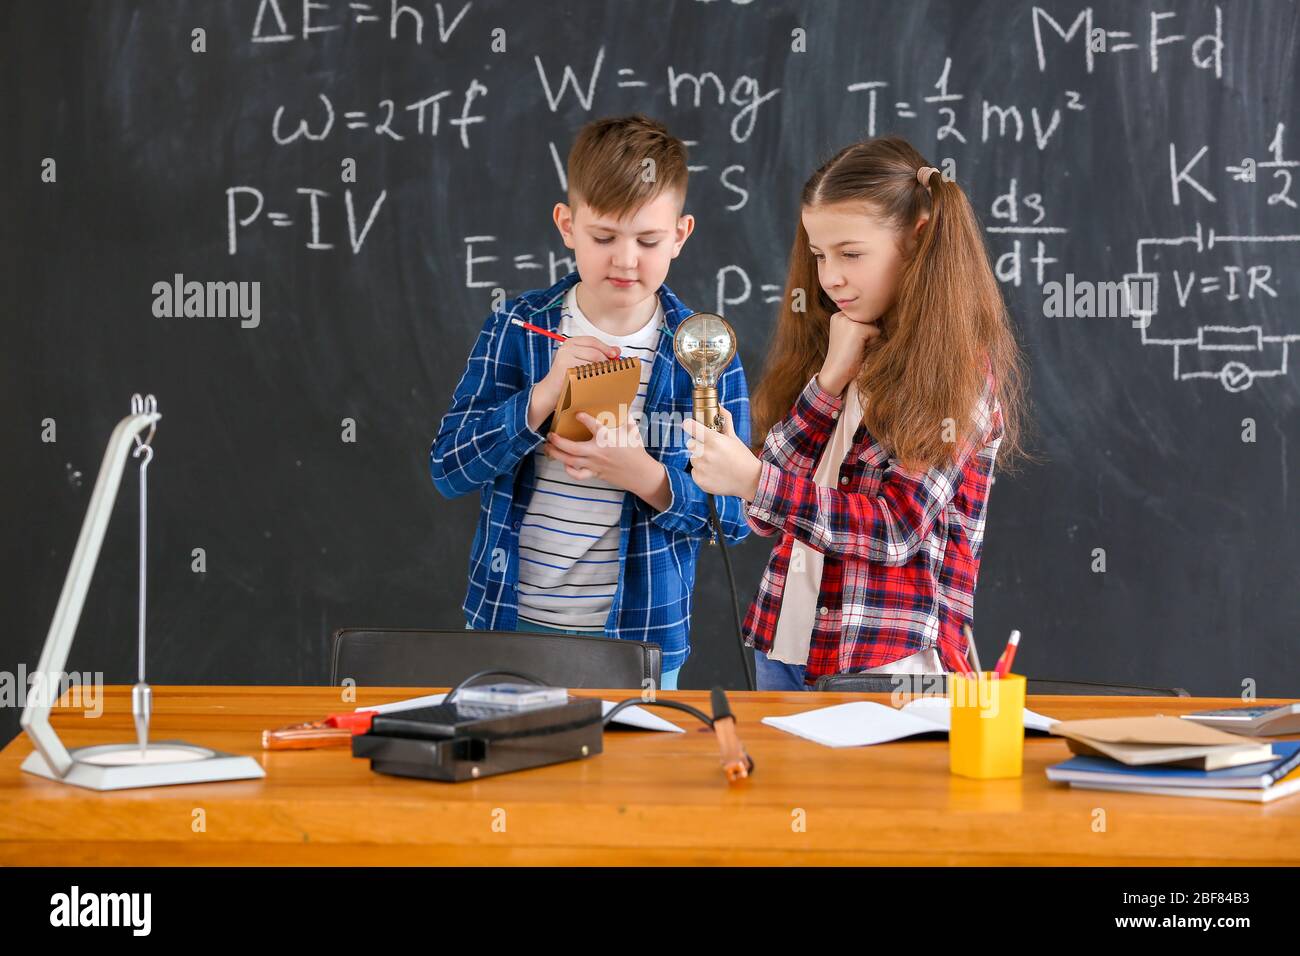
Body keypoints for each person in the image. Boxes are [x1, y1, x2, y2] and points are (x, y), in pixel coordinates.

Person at [684, 136, 1027, 690]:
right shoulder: (836, 345)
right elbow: (764, 514)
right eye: (819, 255)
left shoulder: (958, 372)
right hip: (786, 644)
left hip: (885, 663)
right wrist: (827, 382)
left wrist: (751, 477)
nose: (830, 277)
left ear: (916, 240)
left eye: (851, 253)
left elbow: (895, 529)